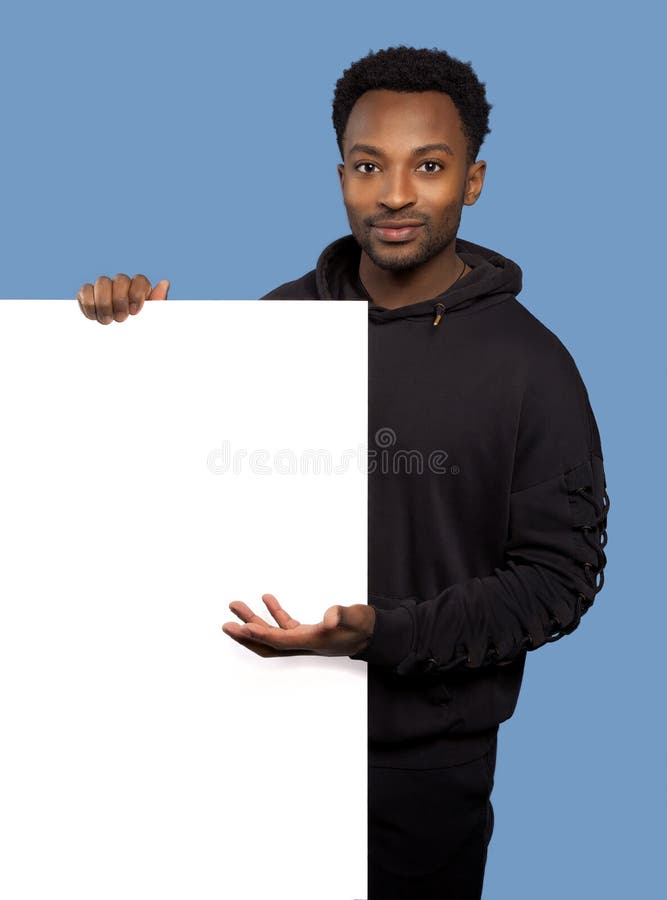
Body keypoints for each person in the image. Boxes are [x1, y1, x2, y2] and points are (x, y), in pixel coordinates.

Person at [76, 46, 610, 900]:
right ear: (340, 177)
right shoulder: (272, 327)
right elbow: (162, 509)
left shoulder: (532, 366)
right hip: (245, 743)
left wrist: (379, 635)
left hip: (423, 781)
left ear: (472, 181)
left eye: (427, 166)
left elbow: (558, 582)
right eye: (368, 166)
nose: (394, 193)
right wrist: (132, 355)